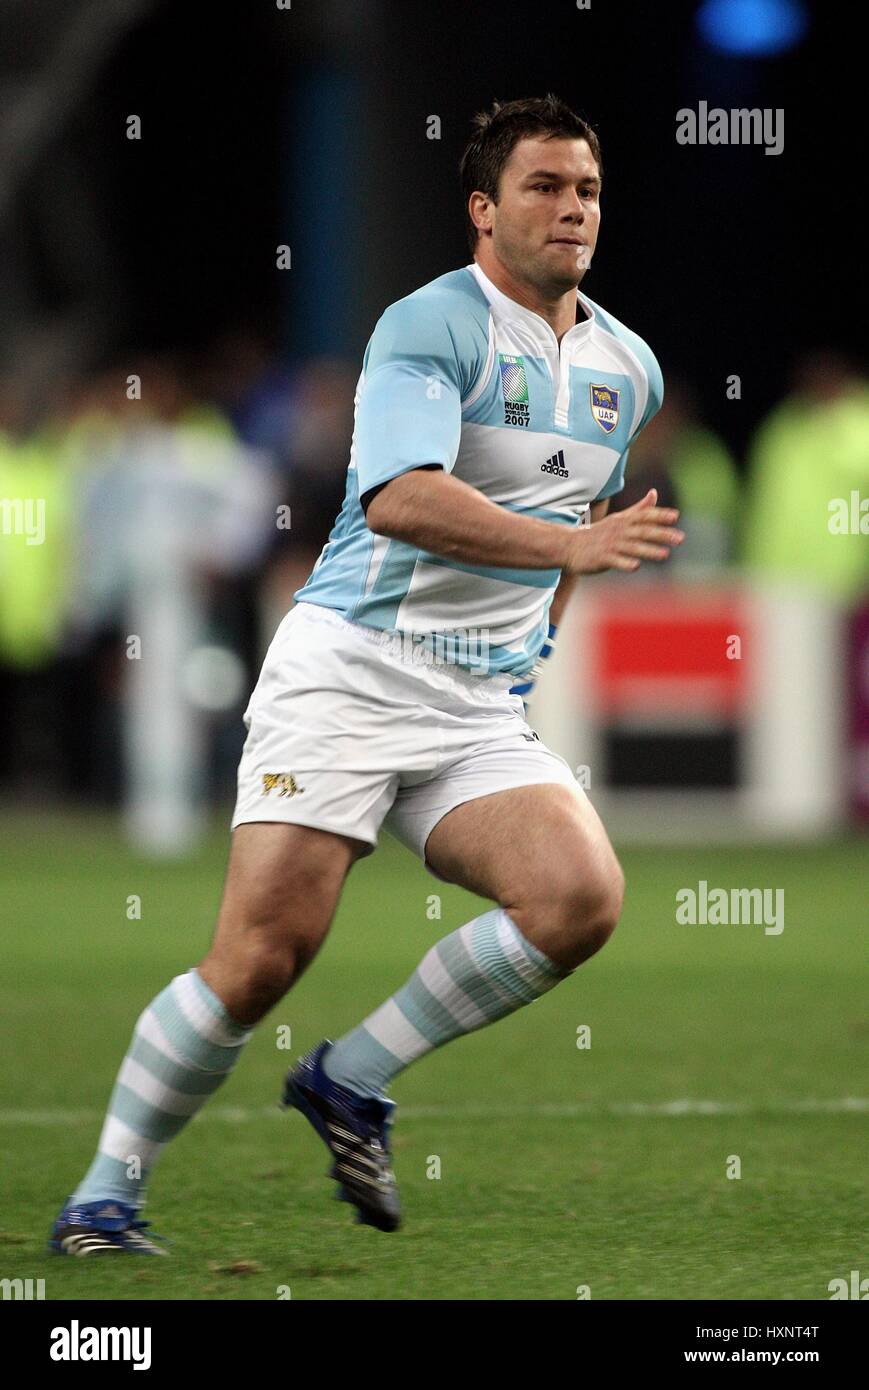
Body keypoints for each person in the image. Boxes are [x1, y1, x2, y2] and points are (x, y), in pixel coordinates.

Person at [50, 94, 682, 1254]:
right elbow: (401, 497)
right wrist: (567, 551)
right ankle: (104, 1194)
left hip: (474, 703)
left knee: (577, 898)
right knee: (259, 960)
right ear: (483, 211)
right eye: (542, 187)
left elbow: (578, 522)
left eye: (585, 188)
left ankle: (350, 1080)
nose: (571, 209)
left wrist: (537, 634)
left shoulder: (624, 367)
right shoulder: (428, 326)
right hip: (350, 671)